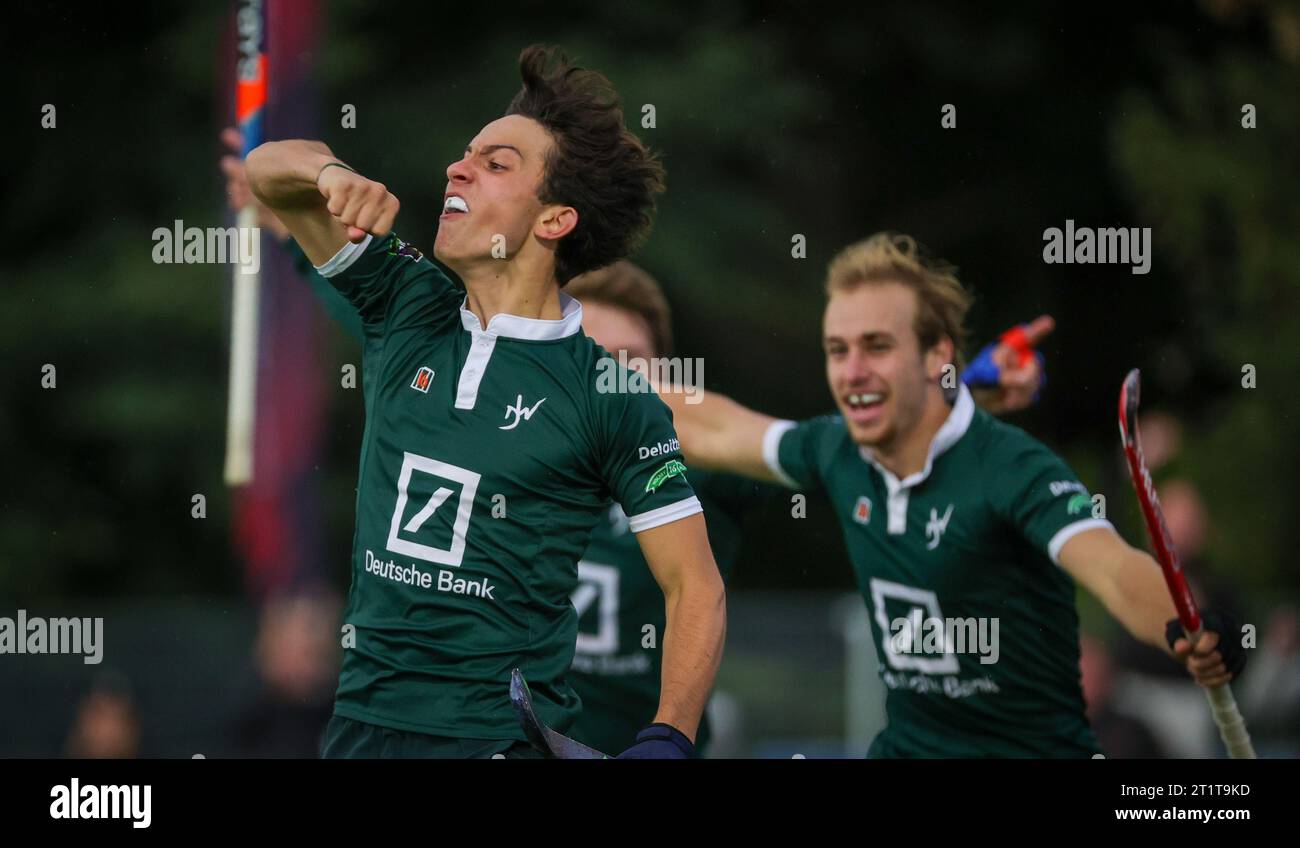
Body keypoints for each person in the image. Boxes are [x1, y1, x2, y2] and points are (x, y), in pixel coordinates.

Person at [245, 45, 725, 759]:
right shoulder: (404, 301)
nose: (457, 168)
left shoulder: (611, 395)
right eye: (466, 154)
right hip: (356, 732)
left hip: (492, 742)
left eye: (496, 164)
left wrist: (670, 738)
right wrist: (330, 173)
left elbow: (695, 586)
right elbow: (265, 172)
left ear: (554, 220)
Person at [661, 232, 1244, 756]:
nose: (852, 370)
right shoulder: (835, 450)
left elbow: (1113, 568)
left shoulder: (1013, 467)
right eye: (838, 351)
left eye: (876, 346)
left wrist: (1183, 627)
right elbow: (716, 426)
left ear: (938, 353)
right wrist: (586, 379)